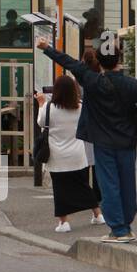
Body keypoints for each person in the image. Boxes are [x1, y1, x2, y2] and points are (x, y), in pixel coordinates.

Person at [37, 35, 137, 243]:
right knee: (127, 183)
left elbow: (69, 62)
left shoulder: (92, 81)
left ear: (98, 61)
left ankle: (119, 230)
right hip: (127, 141)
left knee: (109, 185)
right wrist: (135, 119)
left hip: (102, 142)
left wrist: (47, 47)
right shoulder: (133, 85)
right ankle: (127, 224)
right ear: (119, 59)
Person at [34, 76, 103, 232]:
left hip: (57, 157)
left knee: (60, 190)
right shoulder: (81, 107)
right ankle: (98, 215)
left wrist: (41, 103)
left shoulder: (49, 108)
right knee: (84, 186)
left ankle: (64, 223)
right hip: (78, 154)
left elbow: (41, 122)